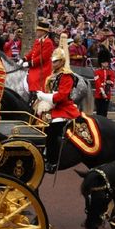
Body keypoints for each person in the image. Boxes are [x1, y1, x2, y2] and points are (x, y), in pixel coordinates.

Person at [34, 36, 80, 173]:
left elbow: (61, 96)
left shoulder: (66, 76)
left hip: (64, 108)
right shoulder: (54, 74)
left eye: (55, 62)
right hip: (52, 105)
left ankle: (52, 161)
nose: (53, 64)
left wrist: (43, 96)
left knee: (52, 130)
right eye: (52, 62)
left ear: (61, 62)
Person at [22, 18, 54, 93]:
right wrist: (24, 59)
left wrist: (30, 63)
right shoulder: (38, 40)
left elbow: (43, 58)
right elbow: (32, 52)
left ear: (43, 32)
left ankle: (35, 96)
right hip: (35, 66)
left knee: (33, 80)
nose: (37, 32)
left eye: (38, 30)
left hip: (42, 67)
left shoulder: (48, 42)